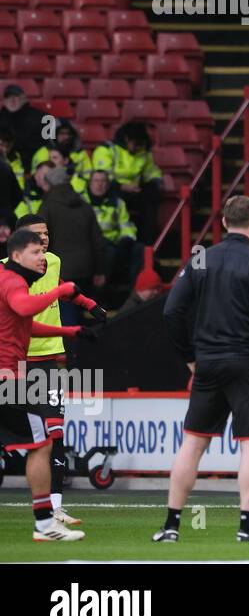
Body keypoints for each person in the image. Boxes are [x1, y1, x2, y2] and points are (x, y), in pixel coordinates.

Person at [155, 196, 249, 544]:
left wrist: (190, 356)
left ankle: (171, 525)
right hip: (248, 363)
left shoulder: (200, 257)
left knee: (192, 443)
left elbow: (171, 311)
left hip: (208, 362)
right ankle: (248, 526)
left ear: (224, 223)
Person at [3, 213, 107, 528]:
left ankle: (54, 509)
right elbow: (26, 308)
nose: (43, 240)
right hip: (13, 365)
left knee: (54, 433)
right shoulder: (4, 272)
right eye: (36, 236)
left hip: (47, 360)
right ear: (19, 243)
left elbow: (60, 285)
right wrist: (63, 298)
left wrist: (89, 305)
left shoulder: (52, 261)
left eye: (46, 234)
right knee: (24, 437)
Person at [37, 167, 105, 310]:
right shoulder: (85, 206)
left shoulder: (47, 207)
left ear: (49, 185)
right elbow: (98, 241)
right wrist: (100, 270)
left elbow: (39, 239)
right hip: (86, 269)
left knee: (67, 317)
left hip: (60, 271)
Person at [91, 121, 163, 244]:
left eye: (140, 144)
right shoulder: (107, 150)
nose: (138, 147)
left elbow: (151, 173)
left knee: (150, 199)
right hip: (112, 190)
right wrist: (122, 186)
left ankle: (148, 246)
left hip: (134, 192)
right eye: (135, 144)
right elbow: (101, 177)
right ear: (126, 139)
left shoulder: (143, 152)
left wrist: (154, 183)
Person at [82, 169, 141, 290]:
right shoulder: (81, 202)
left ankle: (134, 291)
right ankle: (101, 292)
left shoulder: (118, 202)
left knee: (139, 249)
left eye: (103, 181)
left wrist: (126, 239)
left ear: (108, 184)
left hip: (114, 243)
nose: (100, 184)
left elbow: (126, 226)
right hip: (89, 244)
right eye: (96, 181)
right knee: (108, 253)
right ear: (90, 183)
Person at [0, 84, 45, 168]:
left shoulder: (39, 117)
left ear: (24, 98)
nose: (12, 100)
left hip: (32, 164)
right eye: (8, 97)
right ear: (4, 101)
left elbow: (45, 145)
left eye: (16, 96)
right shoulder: (1, 117)